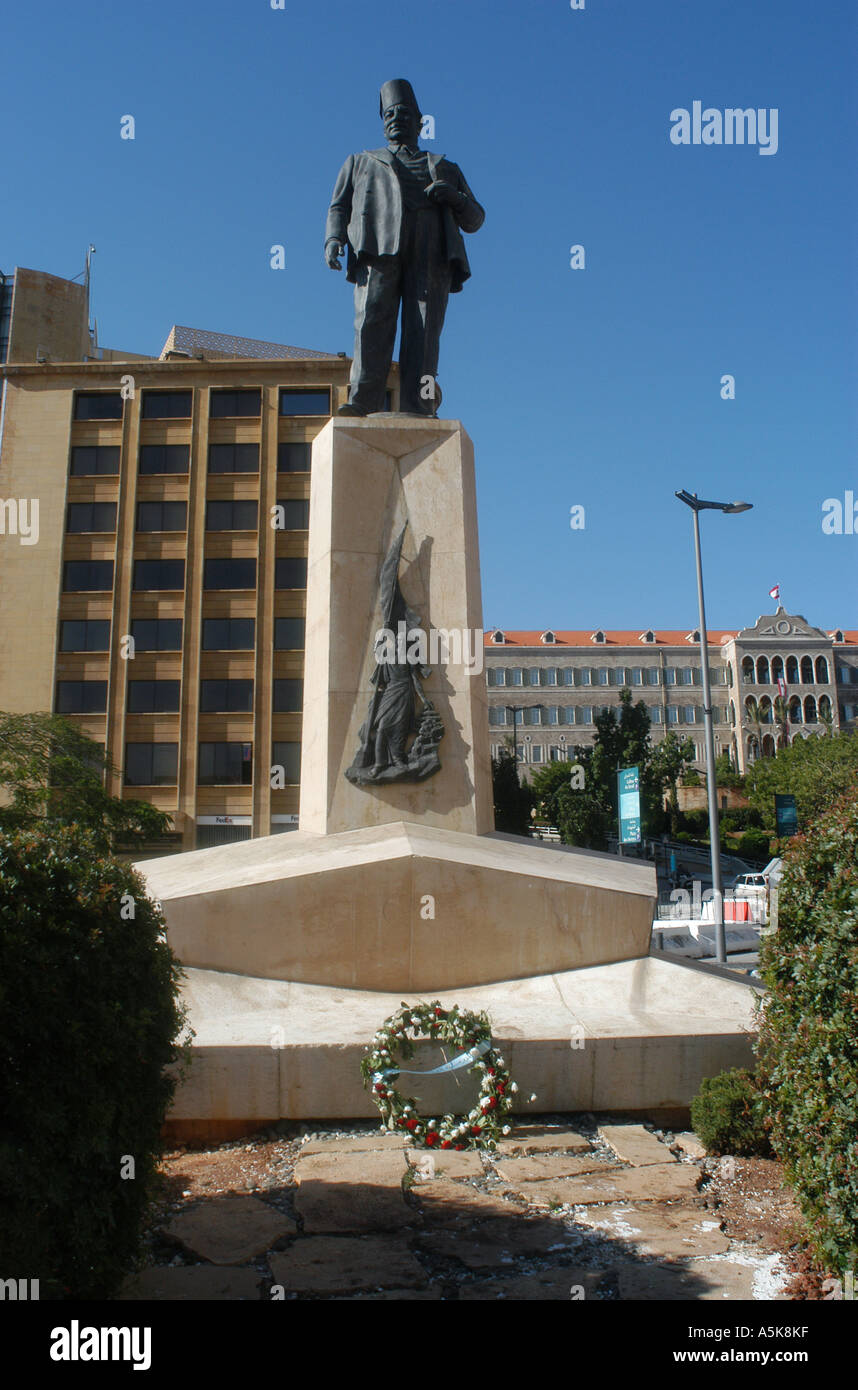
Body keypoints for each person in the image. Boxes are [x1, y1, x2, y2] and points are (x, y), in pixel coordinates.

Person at [325, 78, 485, 417]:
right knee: (371, 324)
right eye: (389, 115)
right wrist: (334, 238)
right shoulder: (360, 162)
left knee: (425, 334)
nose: (396, 119)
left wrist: (453, 197)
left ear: (420, 121)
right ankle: (363, 400)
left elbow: (474, 219)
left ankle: (422, 403)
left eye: (404, 113)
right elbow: (339, 206)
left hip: (431, 251)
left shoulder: (445, 167)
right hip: (377, 247)